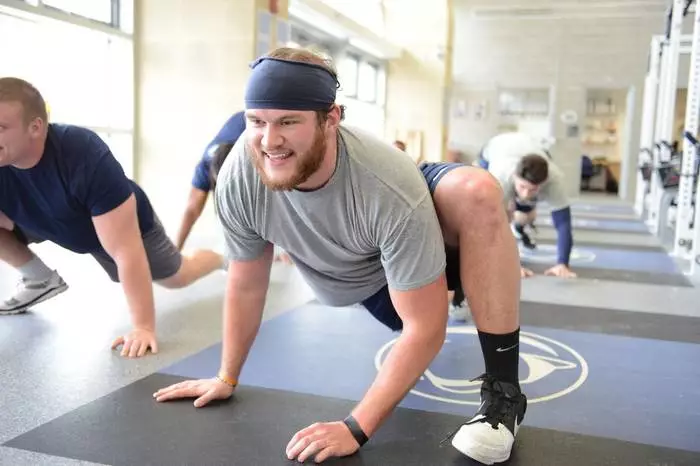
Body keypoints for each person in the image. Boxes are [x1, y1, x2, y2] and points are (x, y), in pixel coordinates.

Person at [153, 48, 526, 466]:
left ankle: (503, 400)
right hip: (370, 279)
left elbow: (426, 328)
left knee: (475, 193)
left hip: (415, 222)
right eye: (256, 121)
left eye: (288, 122)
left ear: (331, 118)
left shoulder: (388, 187)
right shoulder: (239, 175)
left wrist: (356, 427)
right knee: (419, 304)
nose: (269, 140)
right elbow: (246, 281)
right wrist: (226, 376)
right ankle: (454, 288)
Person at [0, 77, 225, 358]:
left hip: (119, 229)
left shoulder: (81, 153)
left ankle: (219, 258)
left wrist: (143, 327)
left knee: (176, 277)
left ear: (35, 127)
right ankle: (39, 279)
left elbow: (126, 250)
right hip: (45, 217)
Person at [478, 131, 576, 279]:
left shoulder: (554, 179)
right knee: (493, 212)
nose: (525, 194)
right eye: (522, 187)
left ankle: (520, 226)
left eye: (532, 189)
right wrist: (510, 264)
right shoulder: (500, 176)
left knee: (525, 212)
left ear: (543, 183)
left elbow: (563, 222)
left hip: (535, 150)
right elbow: (493, 224)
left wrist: (563, 263)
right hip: (494, 149)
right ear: (515, 177)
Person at [174, 112, 246, 251]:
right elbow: (192, 210)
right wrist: (175, 252)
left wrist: (285, 248)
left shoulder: (254, 148)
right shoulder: (205, 167)